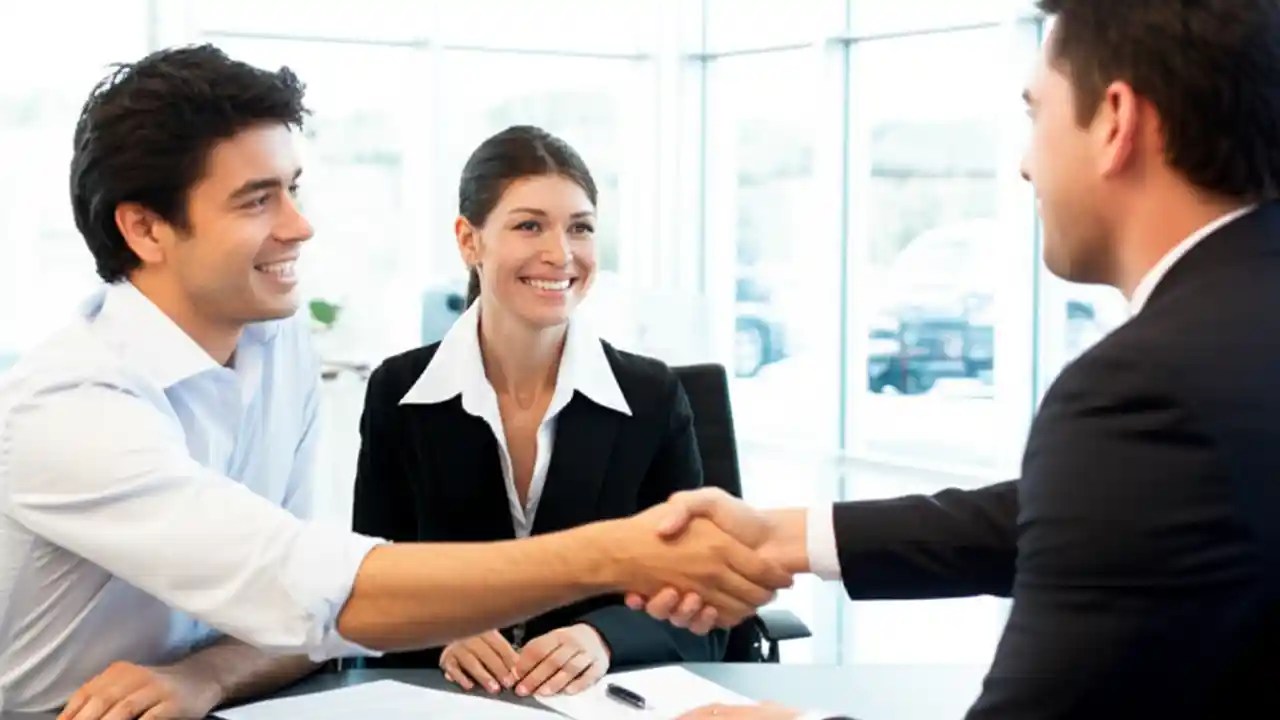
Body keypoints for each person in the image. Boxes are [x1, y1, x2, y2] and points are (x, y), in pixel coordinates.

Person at [0, 45, 790, 718]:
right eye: (257, 199)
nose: (300, 224)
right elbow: (319, 592)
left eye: (294, 188)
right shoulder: (71, 406)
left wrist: (205, 675)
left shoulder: (275, 348)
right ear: (145, 228)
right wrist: (621, 556)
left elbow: (294, 617)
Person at [634, 1, 1280, 718]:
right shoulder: (1233, 345)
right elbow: (1109, 510)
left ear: (1115, 121)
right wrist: (789, 537)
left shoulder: (1148, 387)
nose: (1026, 164)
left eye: (1037, 114)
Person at [352, 125, 727, 699]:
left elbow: (703, 605)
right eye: (530, 225)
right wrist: (441, 632)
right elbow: (367, 592)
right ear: (469, 241)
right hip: (449, 703)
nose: (561, 253)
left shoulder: (652, 397)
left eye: (580, 228)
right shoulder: (399, 394)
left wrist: (603, 638)